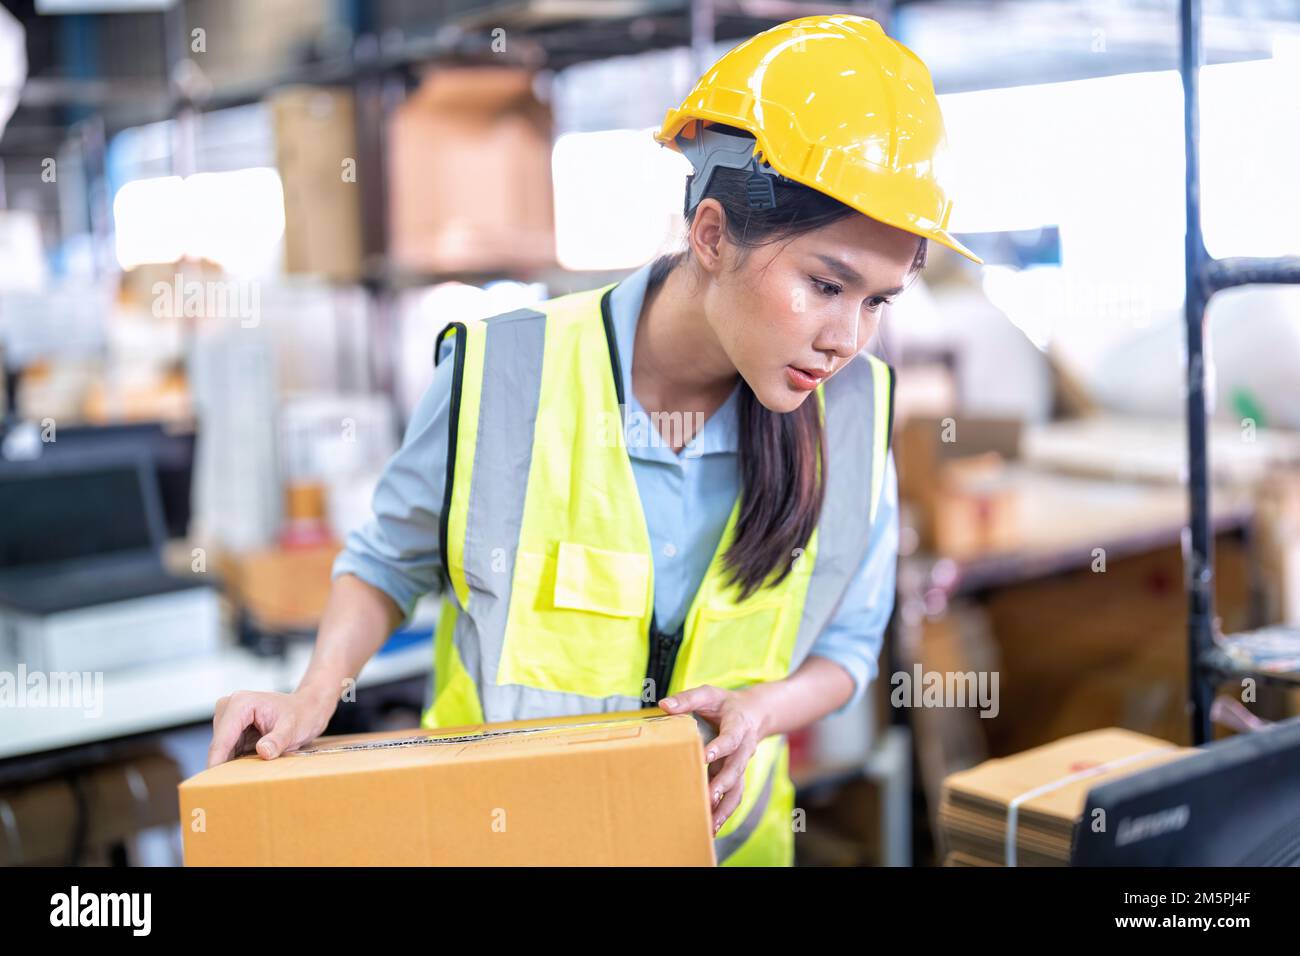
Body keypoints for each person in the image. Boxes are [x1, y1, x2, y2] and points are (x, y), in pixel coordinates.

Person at [206, 14, 981, 867]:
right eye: (825, 283)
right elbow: (387, 560)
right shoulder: (505, 371)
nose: (846, 337)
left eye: (878, 301)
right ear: (713, 235)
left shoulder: (857, 414)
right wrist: (315, 695)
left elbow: (847, 648)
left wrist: (765, 709)